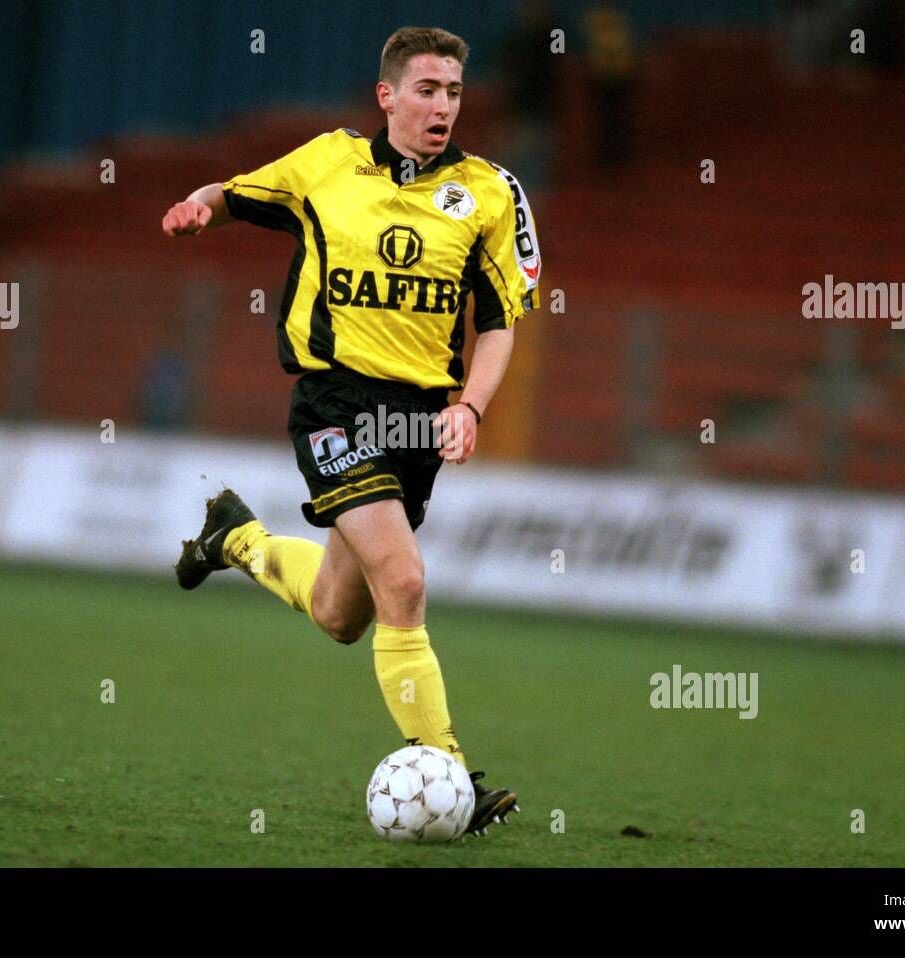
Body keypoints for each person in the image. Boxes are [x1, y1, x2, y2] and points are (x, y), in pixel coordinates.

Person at [161, 26, 541, 836]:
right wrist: (200, 206)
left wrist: (469, 408)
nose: (443, 106)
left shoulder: (489, 193)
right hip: (335, 404)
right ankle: (447, 771)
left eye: (454, 92)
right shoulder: (329, 162)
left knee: (342, 614)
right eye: (428, 89)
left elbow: (501, 322)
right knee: (403, 582)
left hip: (420, 422)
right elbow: (233, 194)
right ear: (388, 96)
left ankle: (236, 540)